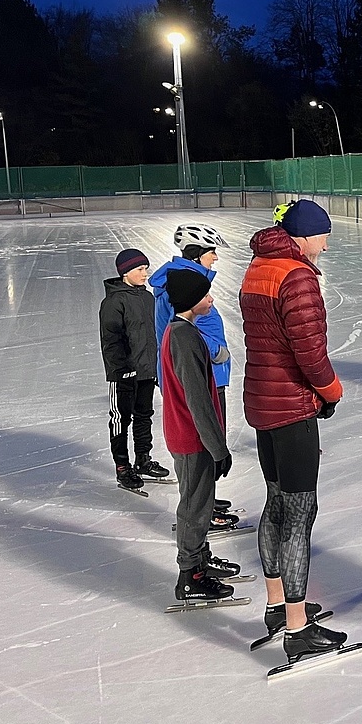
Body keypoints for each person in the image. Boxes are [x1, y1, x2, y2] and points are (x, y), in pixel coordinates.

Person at [240, 199, 349, 660]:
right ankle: (298, 628)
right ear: (303, 236)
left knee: (276, 502)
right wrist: (331, 391)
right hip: (291, 407)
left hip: (262, 403)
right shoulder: (297, 275)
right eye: (322, 234)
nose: (326, 243)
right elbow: (309, 350)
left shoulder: (257, 268)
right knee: (301, 513)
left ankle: (276, 605)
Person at [160, 269, 240, 604]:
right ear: (192, 301)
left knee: (201, 502)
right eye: (206, 295)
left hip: (188, 435)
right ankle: (190, 575)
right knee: (194, 506)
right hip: (192, 437)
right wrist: (217, 447)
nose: (211, 299)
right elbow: (198, 400)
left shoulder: (180, 331)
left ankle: (200, 559)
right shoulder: (185, 337)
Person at [149, 223, 238, 523]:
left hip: (210, 373)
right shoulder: (182, 287)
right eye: (212, 252)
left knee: (210, 439)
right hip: (202, 372)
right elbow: (179, 332)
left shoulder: (189, 280)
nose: (215, 258)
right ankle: (201, 511)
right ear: (197, 253)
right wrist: (216, 350)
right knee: (204, 441)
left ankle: (206, 501)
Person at [98, 248, 169, 492]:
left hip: (147, 370)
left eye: (145, 268)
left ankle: (143, 459)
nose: (145, 273)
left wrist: (156, 366)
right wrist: (121, 370)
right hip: (124, 374)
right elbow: (111, 341)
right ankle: (122, 466)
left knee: (144, 415)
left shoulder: (147, 298)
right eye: (140, 269)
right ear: (125, 272)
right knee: (120, 419)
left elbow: (154, 335)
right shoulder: (113, 302)